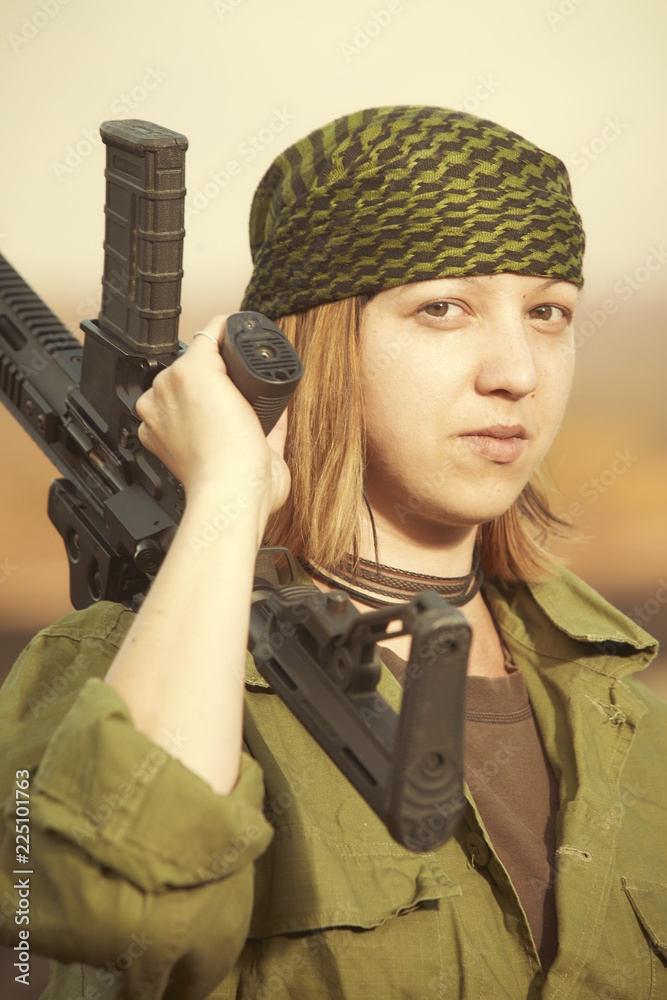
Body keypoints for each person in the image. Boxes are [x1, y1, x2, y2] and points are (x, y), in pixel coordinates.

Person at [1, 105, 665, 999]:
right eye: (443, 307)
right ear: (308, 343)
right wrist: (226, 498)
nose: (516, 370)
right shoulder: (111, 678)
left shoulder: (624, 708)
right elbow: (109, 917)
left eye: (548, 312)